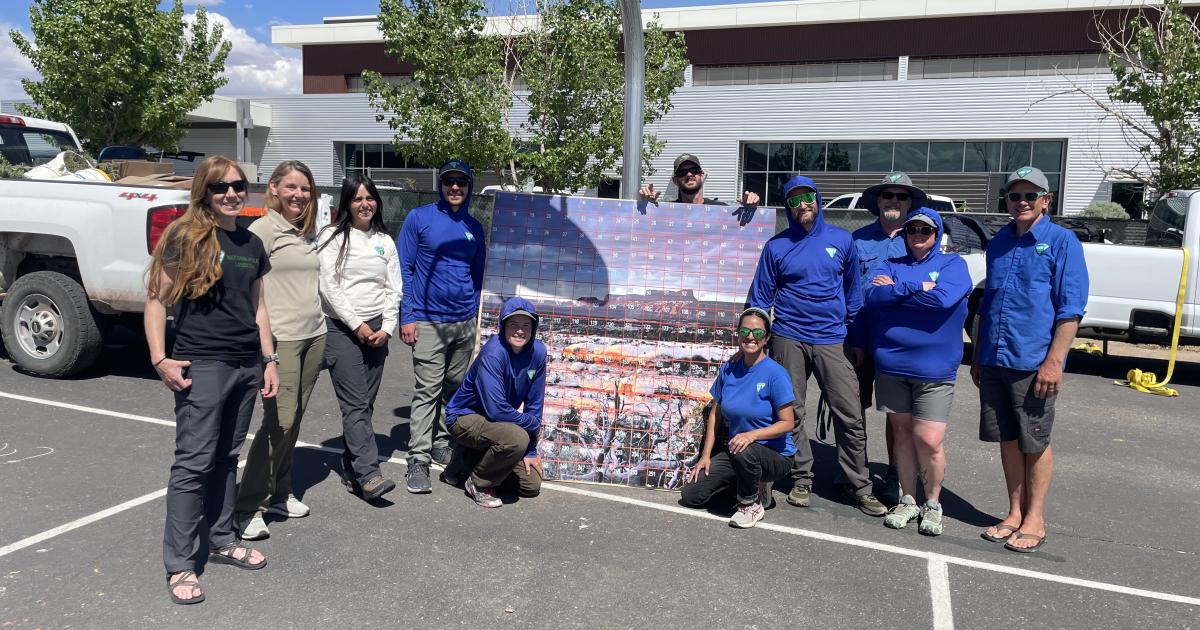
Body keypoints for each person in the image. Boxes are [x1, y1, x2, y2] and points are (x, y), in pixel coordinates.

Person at [145, 156, 276, 605]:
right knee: (193, 463)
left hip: (245, 365)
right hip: (201, 364)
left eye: (238, 186)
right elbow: (156, 301)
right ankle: (180, 563)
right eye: (221, 188)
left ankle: (221, 540)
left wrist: (269, 359)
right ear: (205, 192)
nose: (232, 194)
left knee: (227, 458)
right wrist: (160, 358)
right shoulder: (185, 236)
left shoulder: (251, 242)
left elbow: (258, 308)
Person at [748, 175, 885, 516]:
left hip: (833, 339)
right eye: (794, 201)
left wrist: (857, 338)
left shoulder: (841, 241)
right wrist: (757, 341)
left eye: (807, 197)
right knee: (791, 411)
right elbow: (760, 298)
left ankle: (859, 485)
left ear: (817, 198)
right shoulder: (776, 246)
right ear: (787, 207)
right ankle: (801, 478)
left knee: (850, 414)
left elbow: (854, 294)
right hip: (788, 337)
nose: (802, 205)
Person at [972, 166, 1088, 553]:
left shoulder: (1062, 242)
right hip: (994, 357)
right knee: (1007, 438)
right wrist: (978, 355)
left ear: (1045, 200)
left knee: (1034, 439)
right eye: (1014, 196)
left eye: (1029, 195)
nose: (1021, 202)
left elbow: (1070, 310)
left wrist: (1054, 362)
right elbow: (988, 304)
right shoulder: (1000, 241)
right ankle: (1013, 512)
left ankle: (1035, 518)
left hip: (1033, 360)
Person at [864, 208, 971, 536]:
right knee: (903, 435)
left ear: (937, 234)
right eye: (912, 230)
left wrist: (898, 289)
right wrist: (919, 286)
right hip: (892, 364)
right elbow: (872, 296)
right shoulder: (889, 264)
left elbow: (943, 300)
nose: (918, 235)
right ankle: (909, 499)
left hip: (935, 369)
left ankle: (933, 502)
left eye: (925, 230)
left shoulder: (953, 264)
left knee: (929, 439)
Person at [235, 160, 326, 541]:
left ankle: (279, 491)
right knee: (279, 420)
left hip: (314, 334)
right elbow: (249, 292)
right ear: (273, 188)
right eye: (291, 187)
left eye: (305, 189)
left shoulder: (304, 231)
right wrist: (265, 350)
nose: (298, 195)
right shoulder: (263, 229)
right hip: (283, 339)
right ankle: (247, 506)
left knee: (296, 417)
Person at [398, 159, 487, 493]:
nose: (455, 188)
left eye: (461, 182)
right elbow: (404, 268)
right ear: (441, 184)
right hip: (428, 321)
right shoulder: (419, 218)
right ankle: (417, 461)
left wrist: (477, 321)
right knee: (427, 391)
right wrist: (407, 316)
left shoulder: (474, 227)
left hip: (463, 323)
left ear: (469, 187)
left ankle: (441, 440)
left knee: (454, 389)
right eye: (449, 181)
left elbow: (477, 277)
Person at [317, 174, 402, 502]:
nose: (364, 204)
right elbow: (329, 286)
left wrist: (388, 328)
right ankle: (369, 475)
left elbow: (394, 288)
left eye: (370, 198)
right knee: (355, 403)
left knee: (365, 403)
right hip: (343, 330)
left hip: (378, 330)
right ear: (346, 203)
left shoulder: (385, 240)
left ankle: (352, 468)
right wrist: (357, 325)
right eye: (357, 199)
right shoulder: (332, 236)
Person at [851, 172, 930, 507]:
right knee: (851, 407)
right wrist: (853, 337)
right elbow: (850, 293)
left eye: (901, 196)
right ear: (878, 202)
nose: (893, 201)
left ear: (910, 203)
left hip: (898, 341)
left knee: (897, 413)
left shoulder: (918, 239)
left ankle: (897, 474)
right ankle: (852, 469)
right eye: (888, 196)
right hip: (859, 335)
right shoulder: (857, 240)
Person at [680, 308, 796, 529]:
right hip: (738, 450)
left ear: (767, 338)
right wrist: (705, 456)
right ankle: (749, 484)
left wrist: (751, 435)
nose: (750, 337)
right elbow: (716, 413)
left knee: (745, 450)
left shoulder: (776, 374)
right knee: (691, 495)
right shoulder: (730, 368)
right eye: (745, 331)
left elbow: (787, 423)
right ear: (738, 334)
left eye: (758, 333)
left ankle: (750, 504)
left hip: (774, 455)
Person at [440, 298, 546, 507]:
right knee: (516, 438)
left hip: (497, 424)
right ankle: (477, 483)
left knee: (530, 486)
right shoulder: (494, 353)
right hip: (465, 417)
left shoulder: (539, 353)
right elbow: (497, 410)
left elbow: (535, 404)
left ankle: (466, 461)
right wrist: (532, 425)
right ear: (503, 326)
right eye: (513, 324)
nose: (519, 331)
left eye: (526, 325)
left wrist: (531, 450)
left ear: (534, 328)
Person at [638, 153, 759, 222]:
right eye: (682, 172)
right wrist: (647, 206)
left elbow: (744, 232)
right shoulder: (667, 211)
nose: (689, 174)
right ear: (675, 180)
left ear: (702, 176)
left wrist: (750, 209)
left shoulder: (722, 210)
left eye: (694, 170)